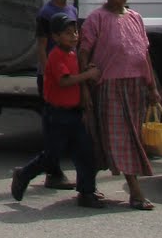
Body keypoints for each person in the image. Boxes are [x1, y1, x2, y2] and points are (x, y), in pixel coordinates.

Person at [79, 0, 160, 209]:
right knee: (115, 138)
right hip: (109, 88)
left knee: (129, 138)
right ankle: (134, 192)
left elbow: (144, 55)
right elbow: (83, 54)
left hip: (135, 87)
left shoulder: (135, 17)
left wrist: (152, 86)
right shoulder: (97, 19)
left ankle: (87, 189)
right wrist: (84, 88)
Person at [10, 14, 105, 207]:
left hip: (75, 113)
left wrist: (88, 71)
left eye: (75, 32)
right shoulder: (56, 56)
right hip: (57, 115)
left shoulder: (73, 54)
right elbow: (64, 81)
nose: (73, 36)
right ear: (55, 37)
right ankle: (24, 174)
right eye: (67, 33)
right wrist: (87, 74)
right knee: (52, 155)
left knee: (85, 152)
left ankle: (87, 192)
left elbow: (78, 76)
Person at [34, 0, 86, 188]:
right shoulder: (46, 14)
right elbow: (41, 47)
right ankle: (52, 171)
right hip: (52, 78)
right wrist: (48, 76)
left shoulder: (72, 11)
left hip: (69, 75)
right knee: (52, 126)